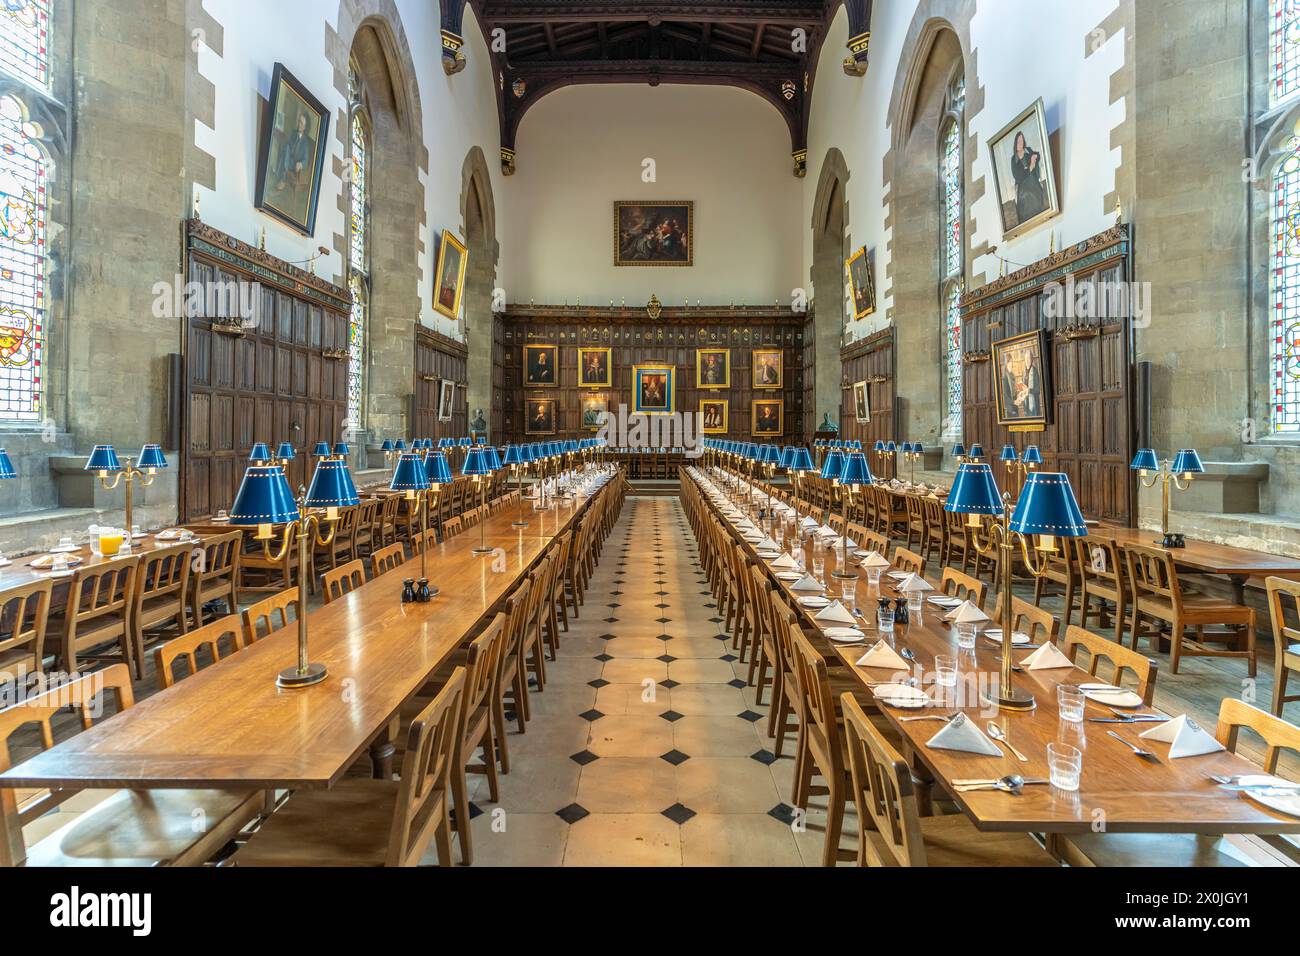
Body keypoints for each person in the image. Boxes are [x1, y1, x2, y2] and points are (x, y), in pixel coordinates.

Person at [1009, 130, 1047, 225]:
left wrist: (1034, 158)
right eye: (1018, 141)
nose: (1020, 143)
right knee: (1026, 199)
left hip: (1033, 181)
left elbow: (1037, 155)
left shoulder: (1028, 150)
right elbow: (1017, 176)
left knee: (1037, 193)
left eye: (1021, 141)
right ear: (1015, 143)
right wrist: (1029, 168)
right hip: (1023, 187)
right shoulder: (1014, 159)